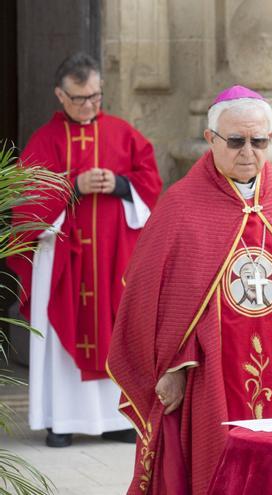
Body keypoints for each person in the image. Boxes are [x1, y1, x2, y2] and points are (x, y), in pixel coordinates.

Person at [107, 85, 272, 494]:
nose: (248, 151)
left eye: (258, 141)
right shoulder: (182, 207)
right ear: (210, 139)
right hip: (210, 378)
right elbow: (162, 303)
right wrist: (171, 369)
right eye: (236, 140)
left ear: (271, 140)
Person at [7, 52, 162, 448]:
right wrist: (74, 188)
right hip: (63, 263)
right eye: (80, 99)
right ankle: (61, 419)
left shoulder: (123, 133)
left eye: (95, 96)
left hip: (113, 260)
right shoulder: (44, 141)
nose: (90, 105)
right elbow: (26, 205)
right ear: (60, 95)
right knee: (61, 336)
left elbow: (151, 185)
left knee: (117, 332)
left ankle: (116, 419)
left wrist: (120, 185)